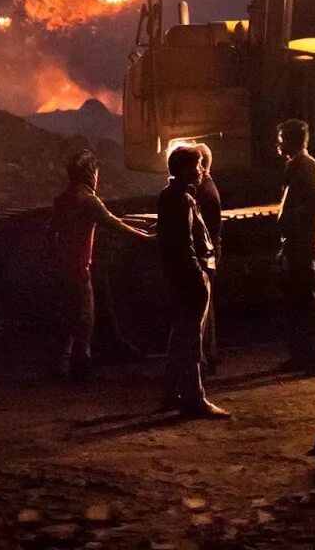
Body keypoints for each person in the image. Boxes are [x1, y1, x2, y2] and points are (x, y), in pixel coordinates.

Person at [48, 148, 152, 380]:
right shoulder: (88, 200)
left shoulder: (62, 200)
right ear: (90, 172)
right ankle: (80, 367)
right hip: (79, 269)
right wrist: (146, 237)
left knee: (65, 319)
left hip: (61, 268)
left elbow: (51, 232)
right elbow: (112, 223)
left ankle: (60, 366)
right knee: (85, 320)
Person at [157, 144, 231, 418]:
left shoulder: (168, 196)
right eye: (198, 165)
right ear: (187, 169)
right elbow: (186, 244)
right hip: (191, 279)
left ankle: (172, 393)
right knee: (190, 340)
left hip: (180, 278)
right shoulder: (183, 200)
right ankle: (194, 400)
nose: (202, 171)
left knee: (180, 337)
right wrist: (199, 274)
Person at [275, 118, 315, 374]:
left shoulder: (306, 165)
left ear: (292, 140)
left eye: (281, 140)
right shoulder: (297, 165)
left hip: (302, 244)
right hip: (295, 243)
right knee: (298, 301)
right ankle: (303, 355)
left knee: (308, 302)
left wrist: (292, 217)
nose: (278, 145)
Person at [194, 143, 223, 373]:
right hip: (210, 251)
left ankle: (205, 357)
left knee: (203, 305)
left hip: (206, 253)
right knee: (206, 303)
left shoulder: (203, 192)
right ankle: (209, 355)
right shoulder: (207, 187)